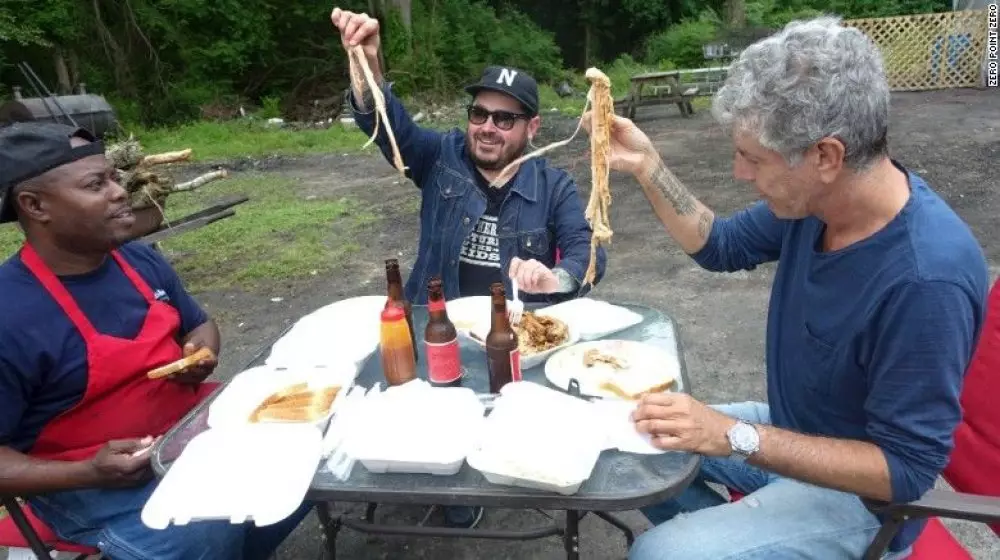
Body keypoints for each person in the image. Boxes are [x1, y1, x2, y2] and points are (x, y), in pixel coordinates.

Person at [580, 16, 989, 560]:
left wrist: (733, 436)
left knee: (660, 554)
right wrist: (647, 165)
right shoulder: (817, 204)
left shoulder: (926, 279)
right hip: (796, 430)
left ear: (826, 156)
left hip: (862, 504)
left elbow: (907, 471)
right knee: (634, 438)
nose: (739, 173)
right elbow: (719, 245)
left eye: (752, 158)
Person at [0, 122, 311, 559]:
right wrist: (89, 472)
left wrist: (202, 352)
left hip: (185, 430)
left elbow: (199, 324)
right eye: (96, 185)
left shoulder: (137, 258)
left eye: (113, 177)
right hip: (90, 479)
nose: (120, 192)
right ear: (35, 205)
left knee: (309, 445)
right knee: (199, 531)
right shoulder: (9, 312)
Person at [330, 7, 607, 307]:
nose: (487, 128)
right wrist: (367, 64)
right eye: (479, 114)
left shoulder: (554, 187)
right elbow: (387, 127)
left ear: (532, 128)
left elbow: (587, 251)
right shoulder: (440, 156)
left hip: (518, 336)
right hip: (437, 328)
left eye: (504, 119)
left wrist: (555, 278)